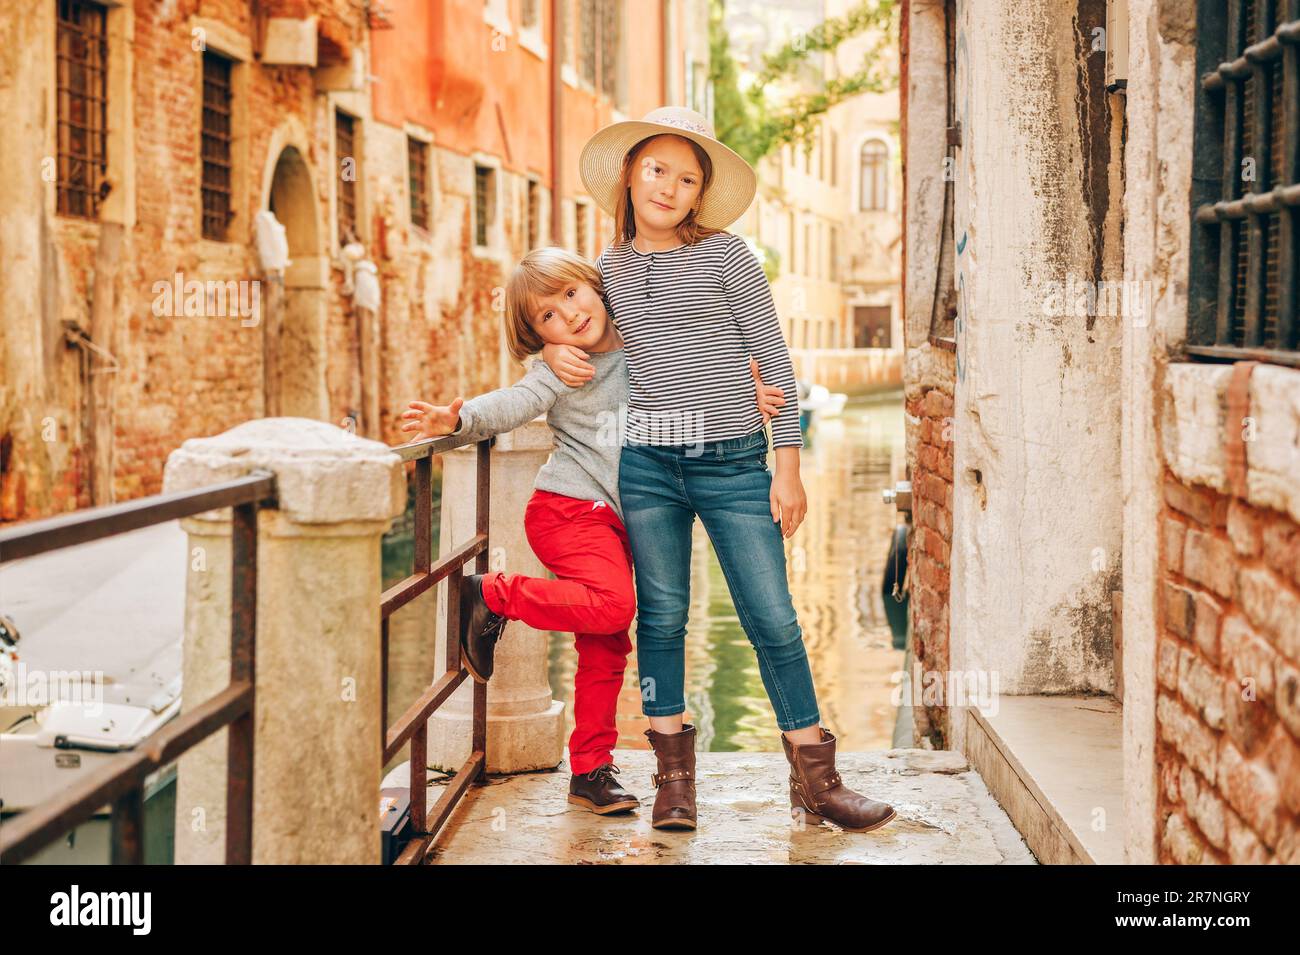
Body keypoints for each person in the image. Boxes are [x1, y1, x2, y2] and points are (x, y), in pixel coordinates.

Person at [541, 106, 897, 833]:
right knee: (663, 618)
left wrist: (786, 464)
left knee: (773, 617)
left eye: (687, 177)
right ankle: (673, 784)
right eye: (657, 169)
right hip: (648, 465)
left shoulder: (730, 256)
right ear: (631, 176)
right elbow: (583, 334)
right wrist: (549, 354)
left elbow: (773, 355)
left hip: (736, 463)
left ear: (700, 194)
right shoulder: (607, 268)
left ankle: (817, 778)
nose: (669, 186)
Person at [401, 245, 785, 819]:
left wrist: (747, 391)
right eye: (548, 316)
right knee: (612, 608)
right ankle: (490, 593)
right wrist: (458, 420)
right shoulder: (560, 366)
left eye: (573, 294)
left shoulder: (647, 338)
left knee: (606, 649)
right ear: (537, 334)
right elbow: (519, 401)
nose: (571, 315)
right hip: (569, 509)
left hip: (635, 522)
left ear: (595, 284)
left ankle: (590, 770)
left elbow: (703, 374)